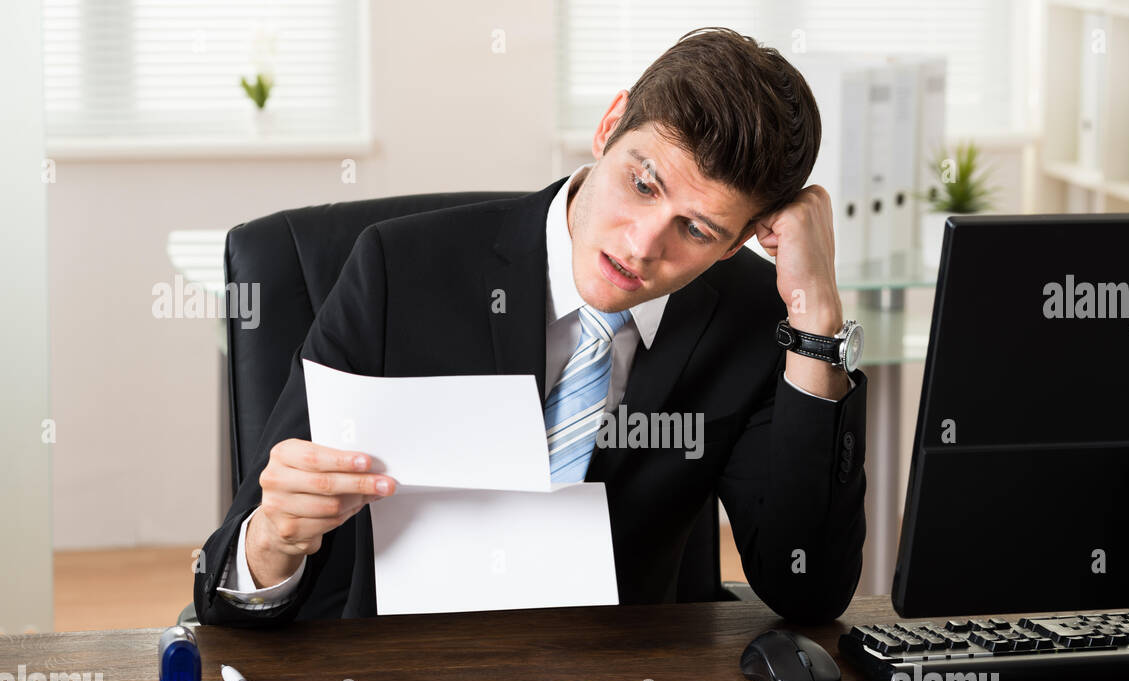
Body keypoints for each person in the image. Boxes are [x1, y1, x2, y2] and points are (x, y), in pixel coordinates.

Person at [193, 26, 867, 627]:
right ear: (609, 125)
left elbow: (806, 589)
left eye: (696, 229)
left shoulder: (750, 316)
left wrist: (815, 320)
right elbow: (226, 592)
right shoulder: (396, 271)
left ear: (738, 239)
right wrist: (273, 538)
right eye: (641, 183)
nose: (641, 245)